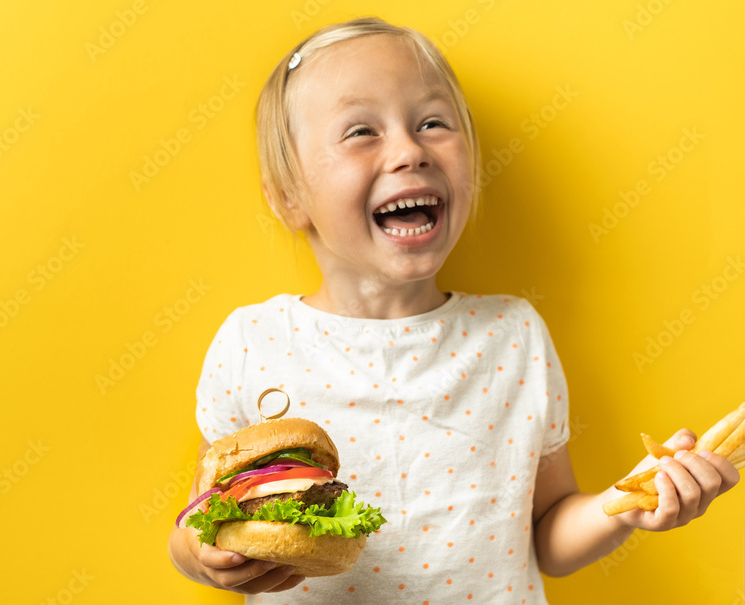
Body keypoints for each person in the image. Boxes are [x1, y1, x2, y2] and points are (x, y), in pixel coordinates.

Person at [167, 16, 739, 603]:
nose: (410, 150)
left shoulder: (514, 335)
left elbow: (549, 534)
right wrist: (200, 557)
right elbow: (199, 519)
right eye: (362, 131)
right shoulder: (252, 341)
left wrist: (631, 504)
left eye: (433, 123)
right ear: (290, 197)